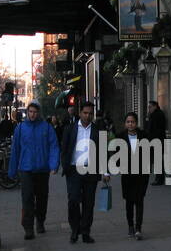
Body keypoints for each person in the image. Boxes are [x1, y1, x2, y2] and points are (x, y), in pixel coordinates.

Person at [8, 102, 59, 240]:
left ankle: (40, 221)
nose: (32, 114)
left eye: (35, 112)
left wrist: (53, 164)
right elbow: (15, 150)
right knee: (27, 199)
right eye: (30, 112)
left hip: (42, 169)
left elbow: (54, 146)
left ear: (38, 113)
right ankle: (28, 228)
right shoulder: (20, 128)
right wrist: (12, 170)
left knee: (42, 198)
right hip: (26, 169)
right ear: (27, 112)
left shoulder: (46, 128)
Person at [60, 100, 109, 243]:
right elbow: (64, 149)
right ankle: (75, 229)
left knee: (89, 203)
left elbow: (103, 151)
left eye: (90, 114)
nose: (88, 116)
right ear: (80, 113)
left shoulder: (98, 130)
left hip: (91, 170)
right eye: (85, 113)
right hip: (74, 170)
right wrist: (65, 166)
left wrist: (106, 172)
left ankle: (86, 231)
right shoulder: (70, 129)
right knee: (73, 200)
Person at [116, 112, 150, 239]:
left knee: (140, 200)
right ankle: (130, 225)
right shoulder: (120, 137)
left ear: (137, 123)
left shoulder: (144, 136)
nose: (130, 124)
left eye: (133, 122)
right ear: (125, 124)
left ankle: (138, 228)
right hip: (127, 174)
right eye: (128, 122)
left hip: (141, 174)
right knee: (129, 201)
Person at [145, 100, 168, 185]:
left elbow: (155, 129)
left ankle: (159, 179)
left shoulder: (157, 115)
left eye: (150, 107)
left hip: (157, 140)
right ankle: (159, 178)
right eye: (148, 107)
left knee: (158, 160)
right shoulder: (155, 114)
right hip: (157, 139)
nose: (149, 108)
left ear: (155, 106)